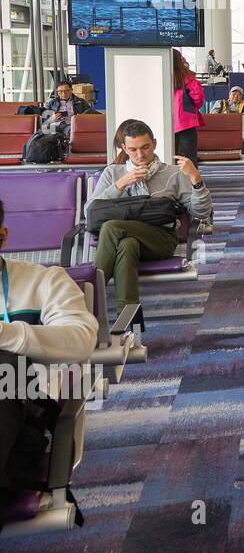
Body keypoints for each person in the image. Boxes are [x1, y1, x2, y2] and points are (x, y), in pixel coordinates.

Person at [88, 120, 212, 308]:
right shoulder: (113, 173)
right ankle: (129, 319)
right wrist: (121, 184)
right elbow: (91, 211)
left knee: (112, 227)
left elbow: (201, 212)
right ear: (124, 148)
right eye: (133, 149)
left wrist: (195, 179)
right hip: (127, 240)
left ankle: (88, 300)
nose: (140, 155)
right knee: (127, 245)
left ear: (154, 143)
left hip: (160, 239)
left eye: (145, 147)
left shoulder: (173, 173)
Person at [0, 200, 97, 364]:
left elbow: (81, 342)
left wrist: (5, 334)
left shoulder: (46, 281)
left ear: (2, 237)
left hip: (29, 380)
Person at [172, 49, 205, 164]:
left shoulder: (161, 76)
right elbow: (198, 99)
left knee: (170, 157)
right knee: (190, 158)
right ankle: (192, 176)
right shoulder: (188, 78)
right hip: (186, 122)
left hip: (166, 123)